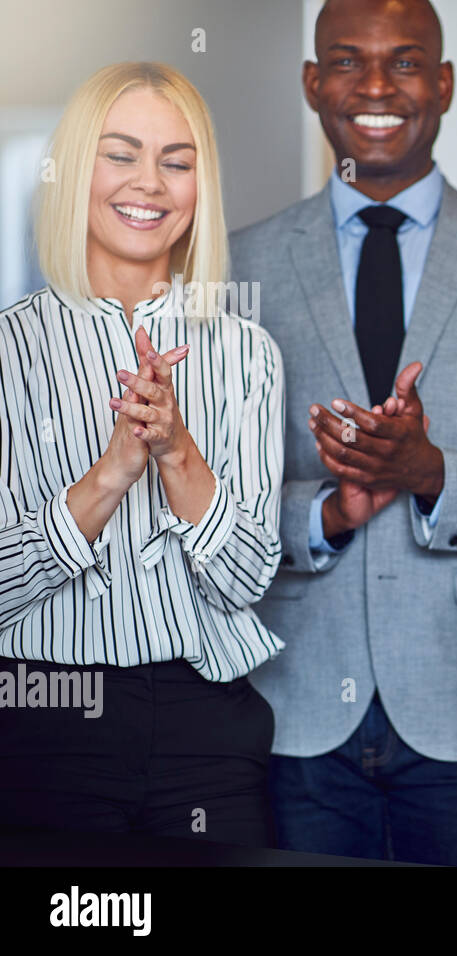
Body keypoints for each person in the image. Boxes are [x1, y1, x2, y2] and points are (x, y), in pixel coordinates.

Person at [229, 0, 457, 865]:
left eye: (404, 62)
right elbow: (203, 498)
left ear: (442, 84)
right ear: (311, 83)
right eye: (346, 61)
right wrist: (327, 511)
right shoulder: (234, 265)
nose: (374, 86)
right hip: (293, 708)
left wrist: (435, 475)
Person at [0, 62, 285, 845]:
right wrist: (114, 472)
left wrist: (175, 452)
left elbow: (248, 578)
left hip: (208, 730)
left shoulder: (246, 352)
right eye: (121, 154)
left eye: (177, 161)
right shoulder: (7, 350)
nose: (150, 184)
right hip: (42, 716)